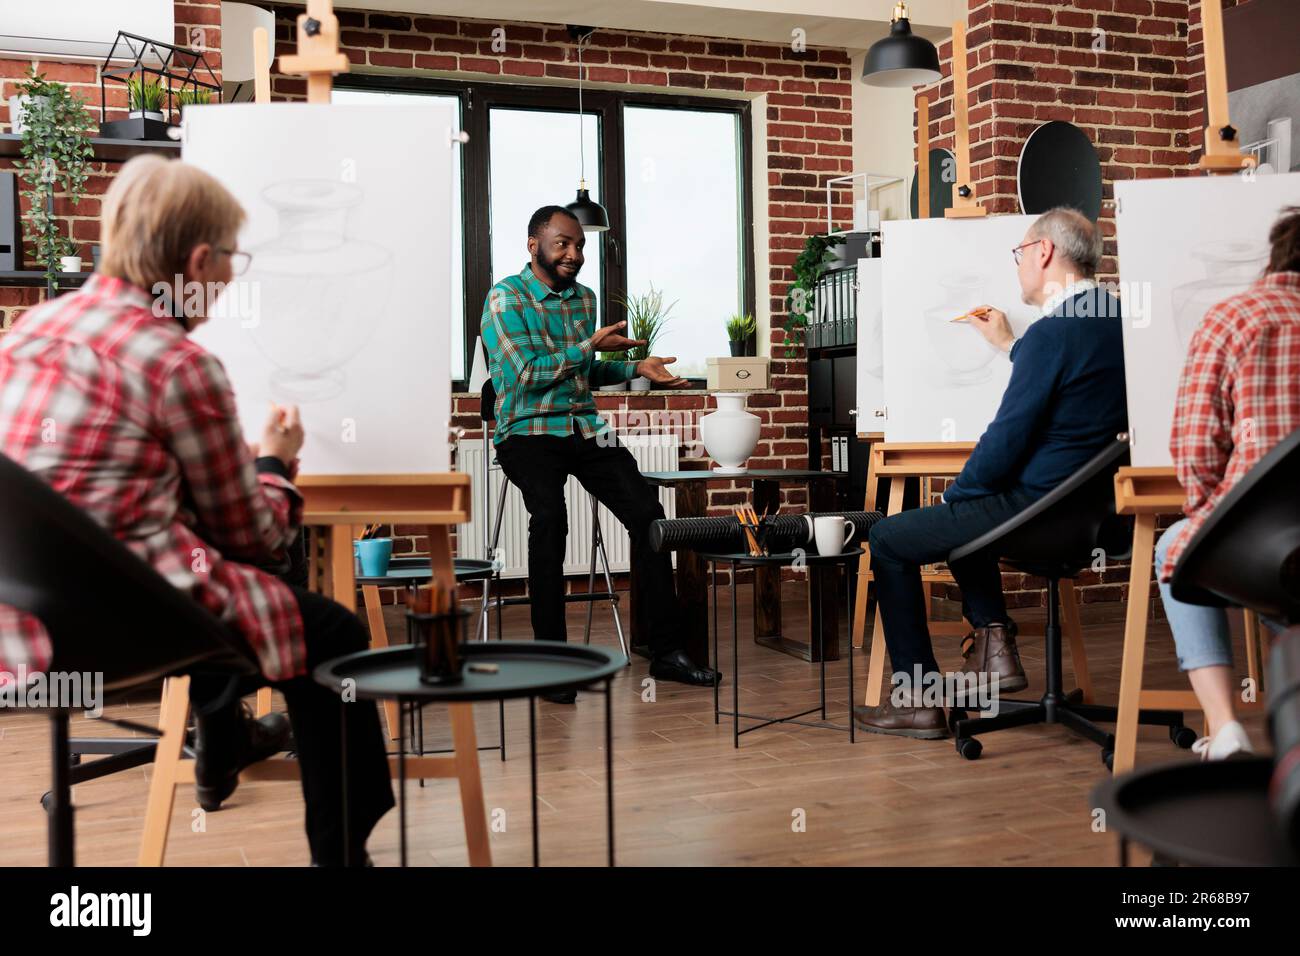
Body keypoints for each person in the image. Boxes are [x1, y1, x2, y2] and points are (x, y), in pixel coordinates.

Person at [0, 156, 392, 865]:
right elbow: (261, 537)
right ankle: (343, 855)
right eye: (231, 262)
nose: (230, 281)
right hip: (124, 625)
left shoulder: (27, 331)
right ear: (199, 258)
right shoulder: (176, 363)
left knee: (211, 564)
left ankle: (227, 735)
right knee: (330, 629)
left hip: (22, 623)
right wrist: (272, 462)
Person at [855, 206, 1127, 738]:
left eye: (1020, 252)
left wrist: (960, 493)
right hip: (1093, 514)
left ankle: (918, 698)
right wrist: (1009, 345)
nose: (1018, 264)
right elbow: (1069, 379)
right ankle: (994, 649)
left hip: (1038, 511)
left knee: (889, 537)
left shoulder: (1053, 334)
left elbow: (1007, 438)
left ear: (1044, 252)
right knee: (970, 509)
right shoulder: (1115, 322)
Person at [480, 205, 720, 701]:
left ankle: (667, 651)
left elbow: (582, 374)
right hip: (526, 430)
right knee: (549, 516)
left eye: (579, 245)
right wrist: (590, 345)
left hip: (586, 427)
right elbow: (526, 374)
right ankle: (554, 663)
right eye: (562, 243)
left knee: (649, 513)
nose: (574, 253)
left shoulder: (583, 298)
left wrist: (636, 368)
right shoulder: (505, 297)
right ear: (534, 245)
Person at [1154, 206, 1300, 761]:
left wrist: (1210, 511)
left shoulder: (1232, 317)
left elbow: (1194, 453)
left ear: (1276, 257)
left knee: (1174, 546)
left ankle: (1225, 726)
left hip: (1252, 550)